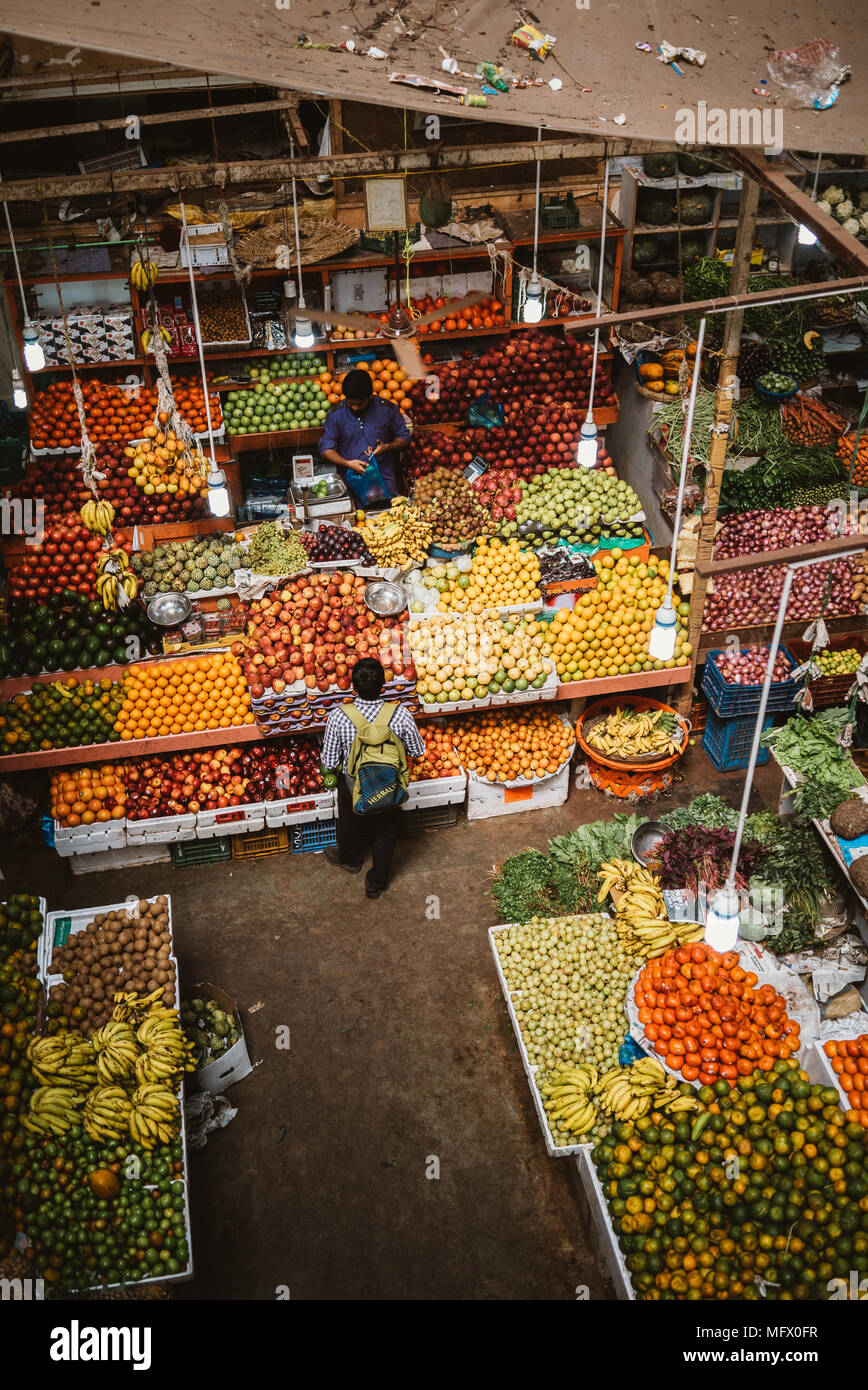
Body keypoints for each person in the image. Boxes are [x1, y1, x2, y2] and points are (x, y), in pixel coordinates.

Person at [321, 656, 425, 898]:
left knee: (349, 819)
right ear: (383, 685)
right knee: (386, 831)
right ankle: (376, 882)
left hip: (353, 783)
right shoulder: (400, 715)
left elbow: (329, 762)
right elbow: (418, 751)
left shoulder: (339, 716)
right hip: (389, 784)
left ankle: (351, 859)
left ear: (353, 686)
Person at [318, 367, 411, 498]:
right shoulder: (336, 415)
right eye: (350, 404)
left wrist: (387, 447)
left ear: (370, 396)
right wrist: (348, 463)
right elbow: (326, 450)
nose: (355, 408)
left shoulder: (388, 409)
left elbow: (404, 438)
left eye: (360, 404)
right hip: (353, 485)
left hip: (386, 484)